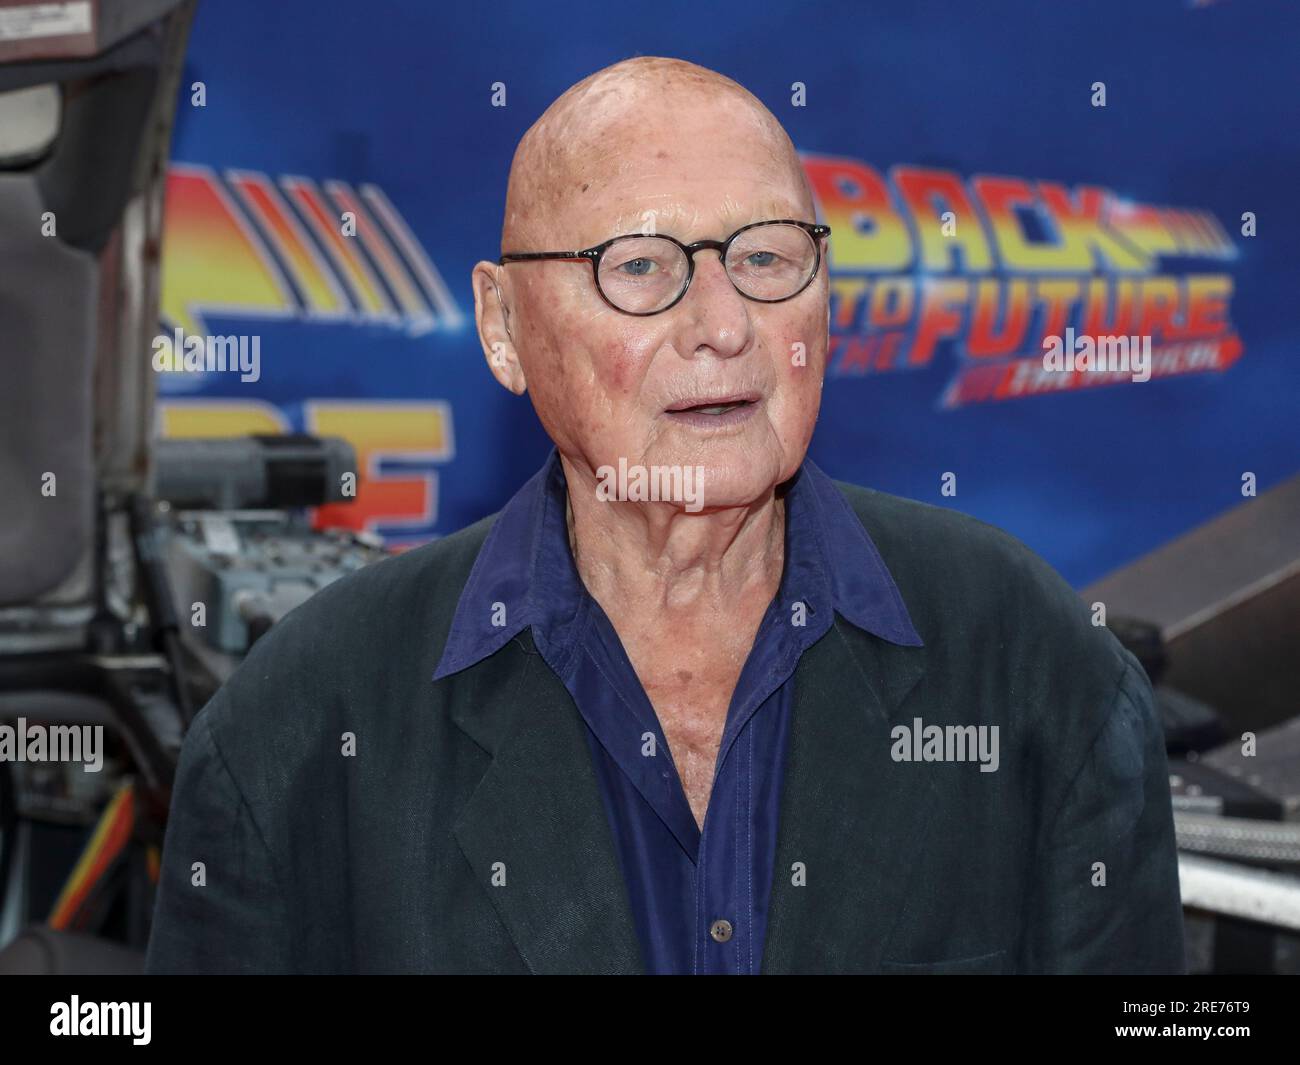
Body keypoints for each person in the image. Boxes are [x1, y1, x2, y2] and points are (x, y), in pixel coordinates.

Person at [145, 56, 1185, 974]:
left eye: (767, 257)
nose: (725, 325)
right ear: (503, 328)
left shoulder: (1030, 663)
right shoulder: (303, 724)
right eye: (639, 267)